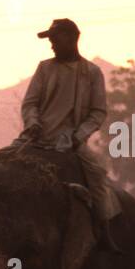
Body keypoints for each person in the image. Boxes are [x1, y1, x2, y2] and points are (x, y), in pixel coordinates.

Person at [20, 18, 119, 251]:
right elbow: (30, 103)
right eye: (50, 40)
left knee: (97, 177)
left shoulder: (92, 73)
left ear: (72, 38)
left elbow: (98, 111)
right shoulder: (44, 68)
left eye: (55, 39)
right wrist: (32, 123)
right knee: (3, 163)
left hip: (71, 143)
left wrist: (78, 136)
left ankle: (103, 230)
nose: (52, 45)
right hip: (36, 139)